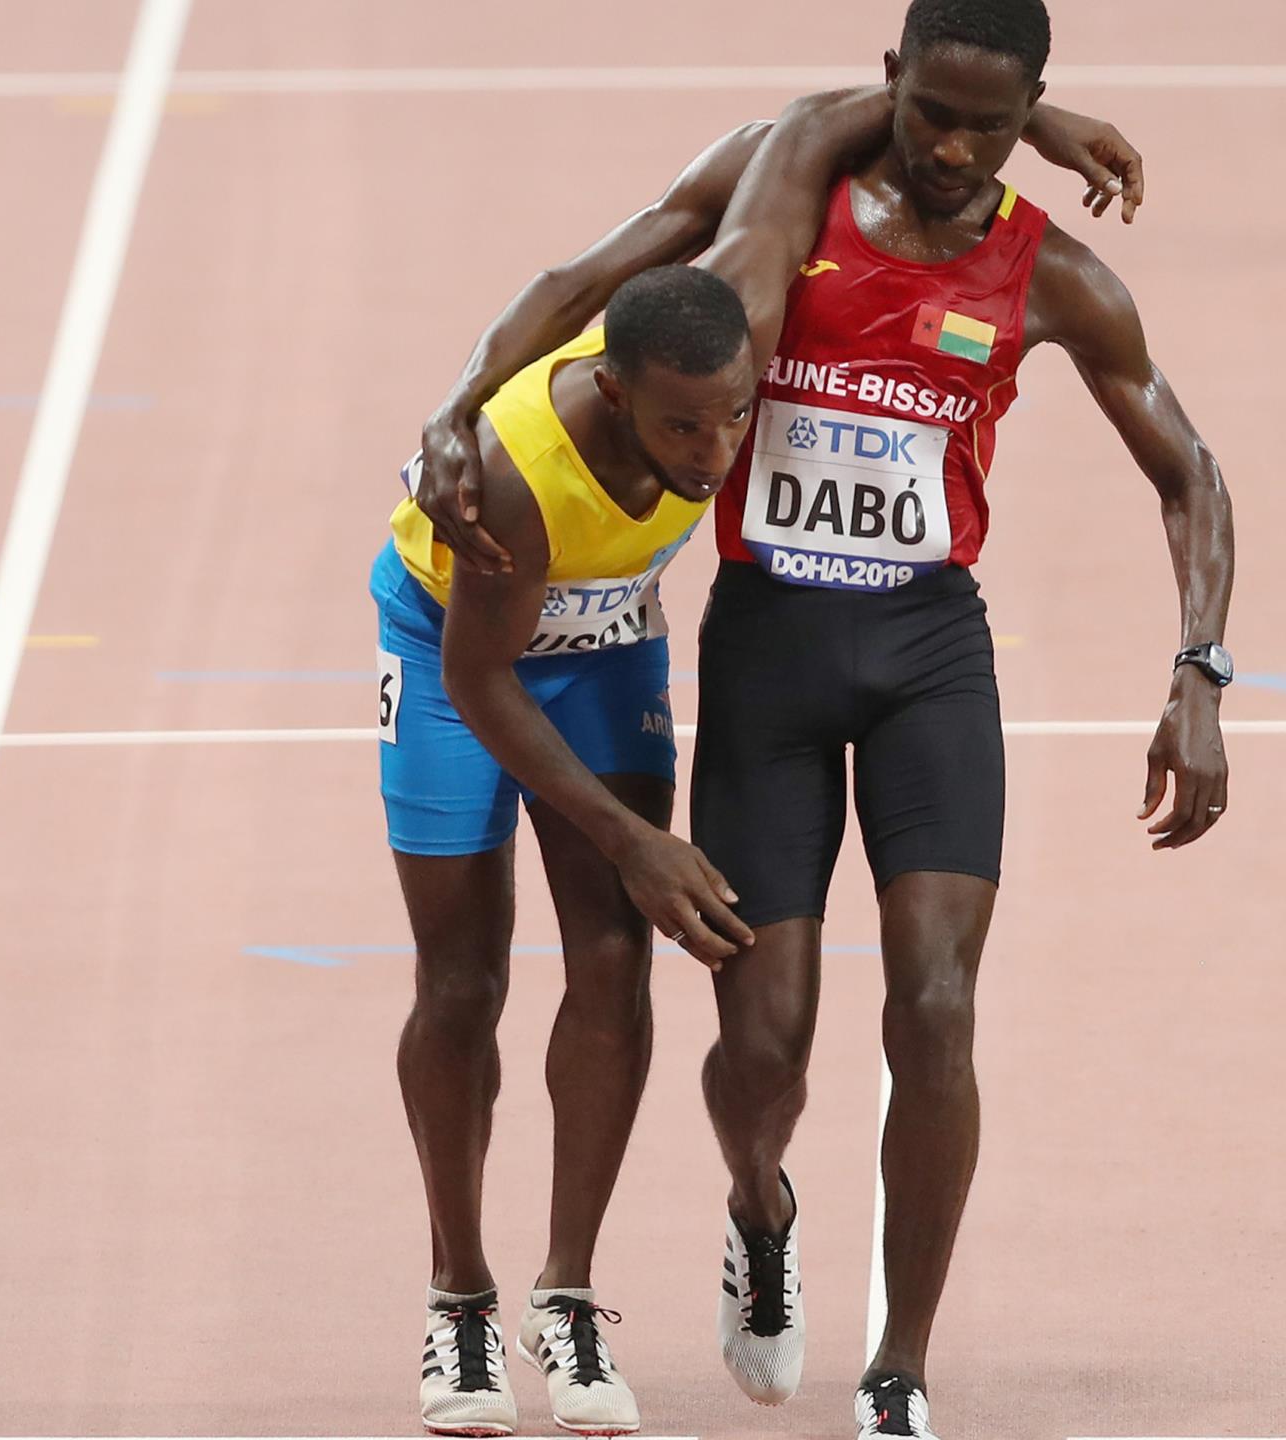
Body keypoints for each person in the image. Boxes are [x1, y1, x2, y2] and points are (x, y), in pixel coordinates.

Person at [415, 5, 1237, 1437]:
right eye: (931, 112)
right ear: (887, 88)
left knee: (935, 1004)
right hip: (770, 654)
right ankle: (761, 1205)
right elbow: (599, 268)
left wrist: (1200, 673)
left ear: (1034, 109)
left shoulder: (1061, 280)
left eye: (995, 122)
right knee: (767, 1050)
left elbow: (1190, 472)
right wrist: (459, 403)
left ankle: (901, 1367)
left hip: (929, 651)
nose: (955, 147)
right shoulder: (782, 194)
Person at [379, 263, 758, 1437]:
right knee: (462, 979)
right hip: (457, 652)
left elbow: (585, 263)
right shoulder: (512, 476)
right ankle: (459, 1295)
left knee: (611, 962)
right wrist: (634, 838)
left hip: (603, 647)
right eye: (680, 425)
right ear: (611, 385)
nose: (711, 451)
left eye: (731, 416)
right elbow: (480, 679)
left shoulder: (717, 350)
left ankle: (568, 1293)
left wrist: (1042, 120)